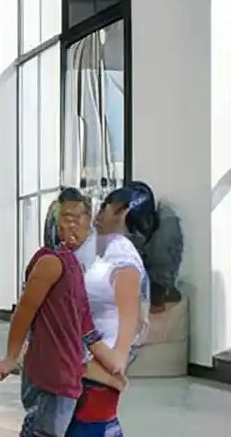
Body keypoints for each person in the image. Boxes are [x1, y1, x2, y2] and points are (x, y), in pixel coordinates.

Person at [0, 188, 124, 437]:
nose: (75, 225)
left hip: (67, 374)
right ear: (54, 219)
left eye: (81, 217)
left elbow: (85, 325)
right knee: (44, 432)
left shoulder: (72, 264)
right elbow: (23, 313)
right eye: (67, 217)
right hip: (50, 373)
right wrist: (11, 357)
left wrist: (113, 365)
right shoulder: (50, 262)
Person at [66, 186, 150, 436]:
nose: (97, 215)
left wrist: (113, 357)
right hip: (88, 374)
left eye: (105, 207)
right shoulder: (103, 251)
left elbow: (129, 323)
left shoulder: (122, 255)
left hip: (95, 375)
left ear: (122, 212)